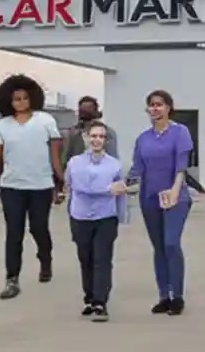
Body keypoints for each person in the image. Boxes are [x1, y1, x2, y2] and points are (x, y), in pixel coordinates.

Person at [0, 74, 65, 300]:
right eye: (16, 99)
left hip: (40, 186)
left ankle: (45, 259)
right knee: (14, 233)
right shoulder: (1, 126)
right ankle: (12, 279)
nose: (20, 102)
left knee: (39, 228)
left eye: (24, 98)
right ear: (8, 102)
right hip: (11, 187)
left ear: (32, 98)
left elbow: (55, 156)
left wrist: (61, 183)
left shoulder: (45, 121)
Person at [127, 89, 195, 316]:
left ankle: (178, 295)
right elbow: (137, 169)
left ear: (168, 108)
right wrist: (122, 185)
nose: (155, 108)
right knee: (158, 247)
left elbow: (181, 165)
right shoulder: (143, 138)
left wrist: (175, 190)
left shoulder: (180, 132)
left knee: (171, 243)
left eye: (160, 104)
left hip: (175, 196)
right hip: (149, 197)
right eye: (152, 105)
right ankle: (164, 296)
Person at [62, 120, 128, 322]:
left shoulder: (114, 164)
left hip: (106, 217)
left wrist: (122, 216)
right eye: (93, 136)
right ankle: (89, 298)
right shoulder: (75, 163)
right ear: (86, 138)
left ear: (106, 140)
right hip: (80, 216)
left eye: (101, 136)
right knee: (86, 258)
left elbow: (121, 192)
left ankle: (101, 301)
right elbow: (77, 187)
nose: (97, 140)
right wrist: (107, 190)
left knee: (102, 259)